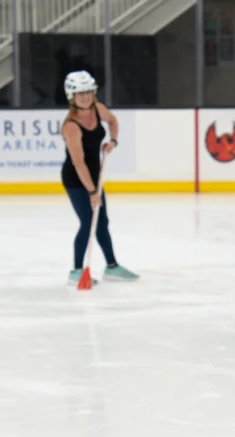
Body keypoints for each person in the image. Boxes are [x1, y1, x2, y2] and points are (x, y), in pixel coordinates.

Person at [60, 71, 138, 284]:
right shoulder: (71, 126)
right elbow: (78, 163)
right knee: (87, 222)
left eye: (88, 92)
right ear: (71, 96)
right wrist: (92, 191)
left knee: (102, 222)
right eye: (79, 93)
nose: (85, 97)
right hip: (76, 179)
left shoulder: (98, 109)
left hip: (95, 174)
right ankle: (76, 271)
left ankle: (112, 267)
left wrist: (113, 140)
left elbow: (113, 121)